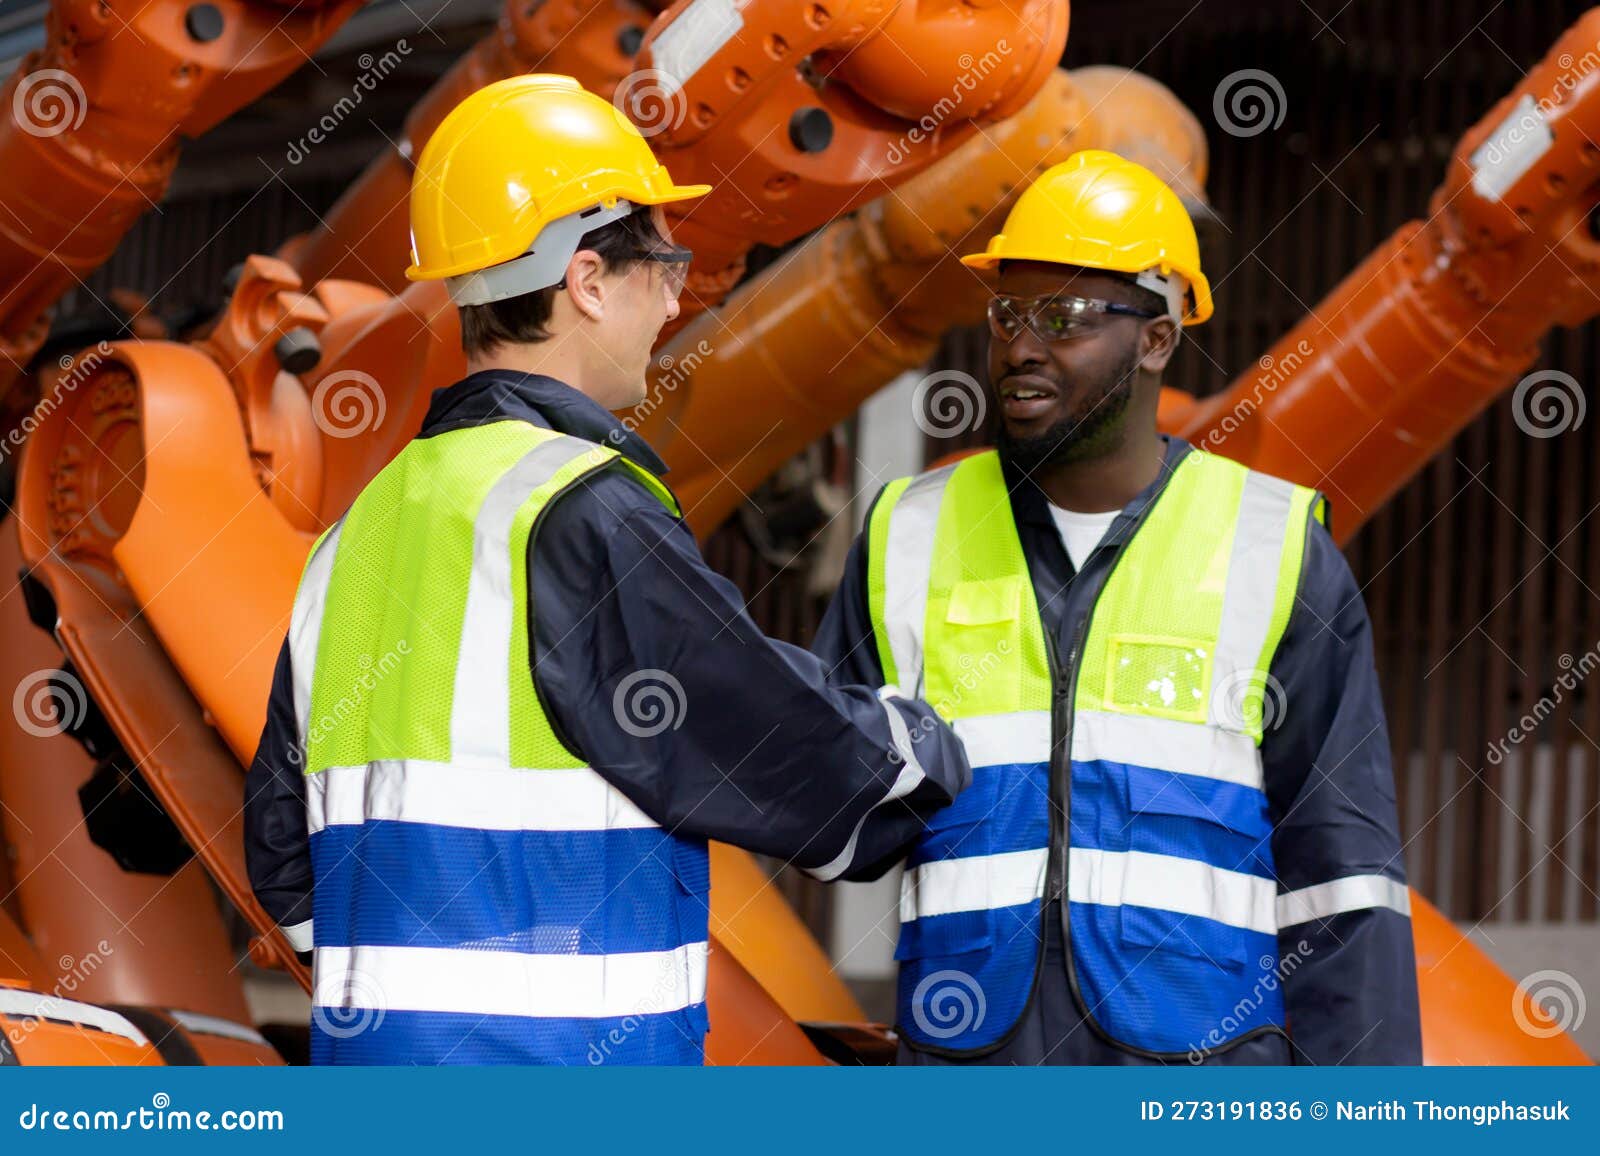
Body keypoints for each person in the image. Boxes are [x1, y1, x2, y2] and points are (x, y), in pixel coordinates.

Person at [242, 74, 969, 1066]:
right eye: (663, 267)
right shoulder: (577, 506)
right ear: (586, 279)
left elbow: (282, 854)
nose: (675, 297)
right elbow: (759, 731)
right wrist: (917, 752)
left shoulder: (357, 528)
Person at [813, 150, 1421, 1065]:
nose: (1021, 346)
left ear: (1157, 337)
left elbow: (1341, 878)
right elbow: (825, 813)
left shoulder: (1275, 545)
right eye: (1008, 313)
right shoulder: (905, 536)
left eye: (1065, 317)